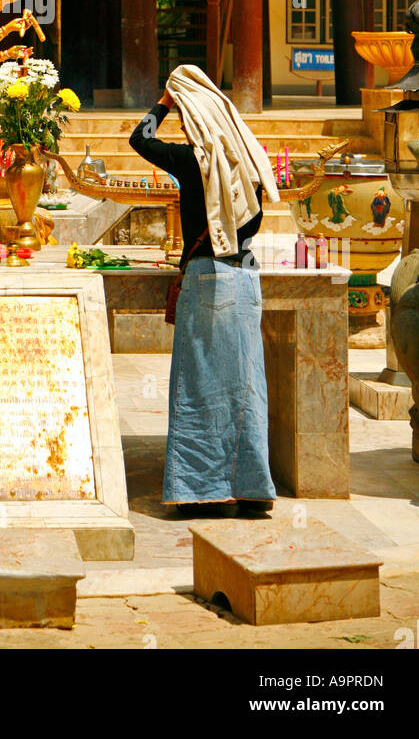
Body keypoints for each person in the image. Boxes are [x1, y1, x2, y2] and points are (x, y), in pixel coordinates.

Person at [129, 64, 279, 518]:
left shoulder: (192, 159)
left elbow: (140, 139)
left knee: (198, 387)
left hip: (206, 279)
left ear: (191, 114)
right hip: (245, 278)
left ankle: (200, 489)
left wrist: (164, 103)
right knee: (247, 385)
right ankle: (252, 489)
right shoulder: (249, 158)